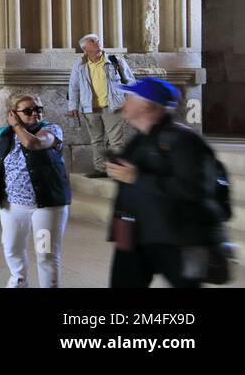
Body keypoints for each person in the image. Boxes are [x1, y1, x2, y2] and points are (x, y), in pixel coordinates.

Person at [107, 77, 229, 288]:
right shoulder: (140, 140)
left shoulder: (184, 140)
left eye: (130, 97)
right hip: (137, 237)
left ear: (147, 104)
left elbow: (196, 189)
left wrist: (137, 177)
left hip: (177, 239)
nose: (123, 101)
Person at [0, 93, 70, 287]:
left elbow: (33, 143)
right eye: (28, 111)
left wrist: (17, 126)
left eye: (38, 109)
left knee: (45, 254)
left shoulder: (51, 130)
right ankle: (18, 282)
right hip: (13, 206)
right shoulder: (4, 136)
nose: (35, 113)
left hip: (45, 206)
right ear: (13, 114)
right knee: (12, 249)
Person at [68, 33, 134, 178]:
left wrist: (131, 103)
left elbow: (129, 82)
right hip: (90, 108)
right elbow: (74, 86)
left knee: (116, 141)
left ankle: (118, 172)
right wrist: (73, 106)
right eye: (93, 41)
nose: (97, 42)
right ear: (85, 48)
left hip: (114, 106)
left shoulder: (115, 60)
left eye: (97, 40)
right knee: (96, 140)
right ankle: (100, 168)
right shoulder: (79, 64)